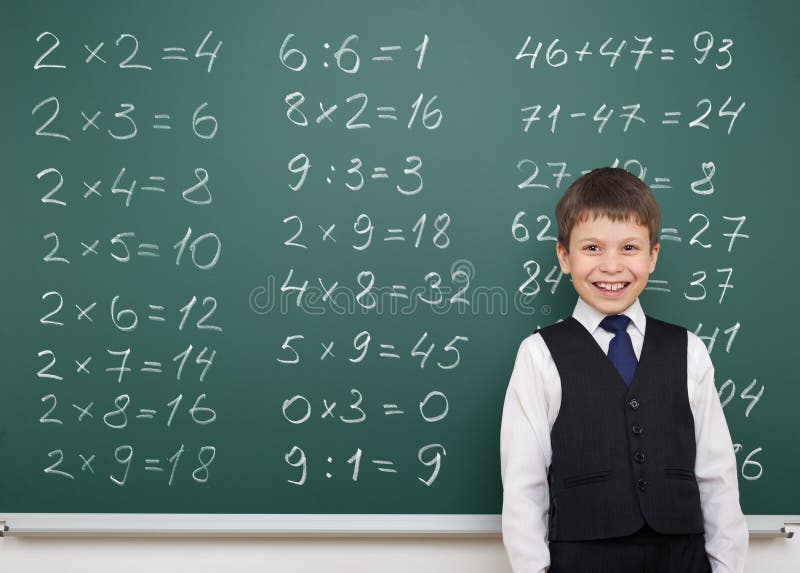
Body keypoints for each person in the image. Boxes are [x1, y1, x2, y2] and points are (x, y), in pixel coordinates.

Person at [500, 167, 748, 573]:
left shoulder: (689, 350)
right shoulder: (539, 355)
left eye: (629, 247)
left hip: (683, 558)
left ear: (653, 256)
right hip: (583, 559)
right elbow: (523, 488)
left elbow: (716, 475)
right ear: (564, 257)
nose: (611, 266)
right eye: (592, 248)